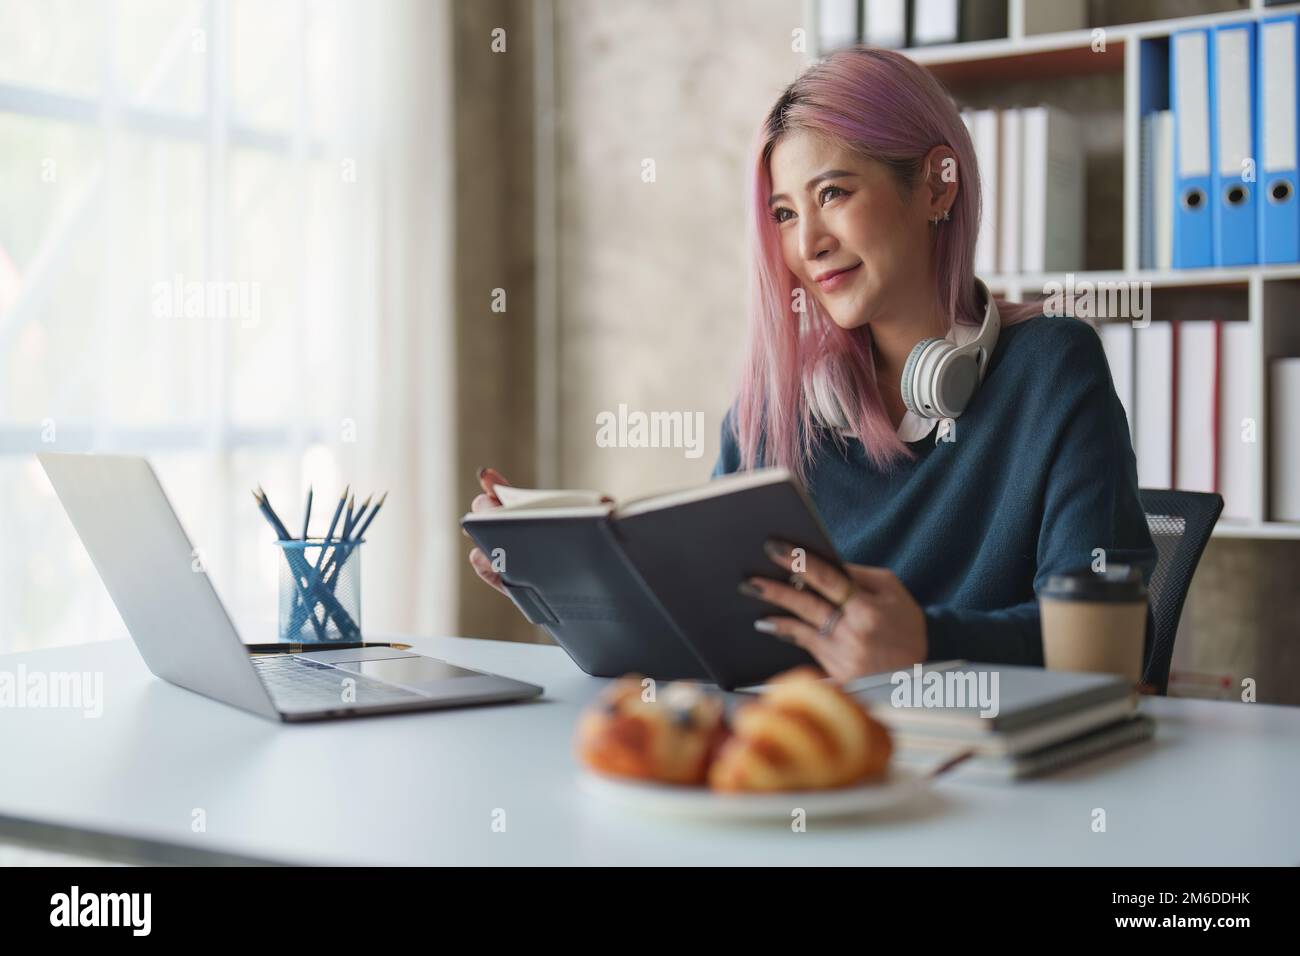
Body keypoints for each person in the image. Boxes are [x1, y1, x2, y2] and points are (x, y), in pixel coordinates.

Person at [470, 47, 1157, 682]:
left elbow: (1112, 648)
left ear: (937, 188)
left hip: (989, 777)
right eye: (783, 213)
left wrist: (926, 644)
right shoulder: (774, 408)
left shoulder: (1051, 369)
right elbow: (708, 636)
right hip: (810, 765)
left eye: (833, 194)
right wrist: (568, 585)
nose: (809, 244)